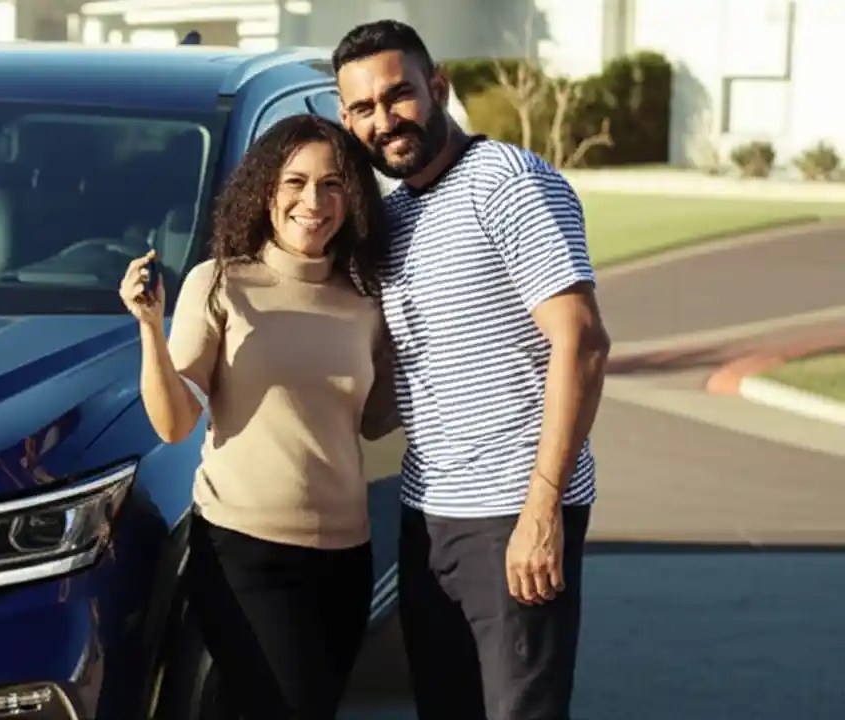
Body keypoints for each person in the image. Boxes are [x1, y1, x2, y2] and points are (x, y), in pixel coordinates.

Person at [331, 19, 612, 720]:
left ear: (439, 87)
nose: (384, 120)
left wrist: (541, 510)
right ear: (346, 119)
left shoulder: (510, 184)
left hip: (514, 508)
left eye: (398, 96)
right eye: (363, 108)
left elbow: (583, 343)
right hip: (430, 513)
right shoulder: (392, 217)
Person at [118, 114, 398, 719]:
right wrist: (149, 328)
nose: (313, 201)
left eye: (332, 184)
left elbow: (378, 424)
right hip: (245, 554)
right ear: (265, 190)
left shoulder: (366, 298)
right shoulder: (220, 284)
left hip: (346, 559)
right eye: (295, 182)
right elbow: (173, 422)